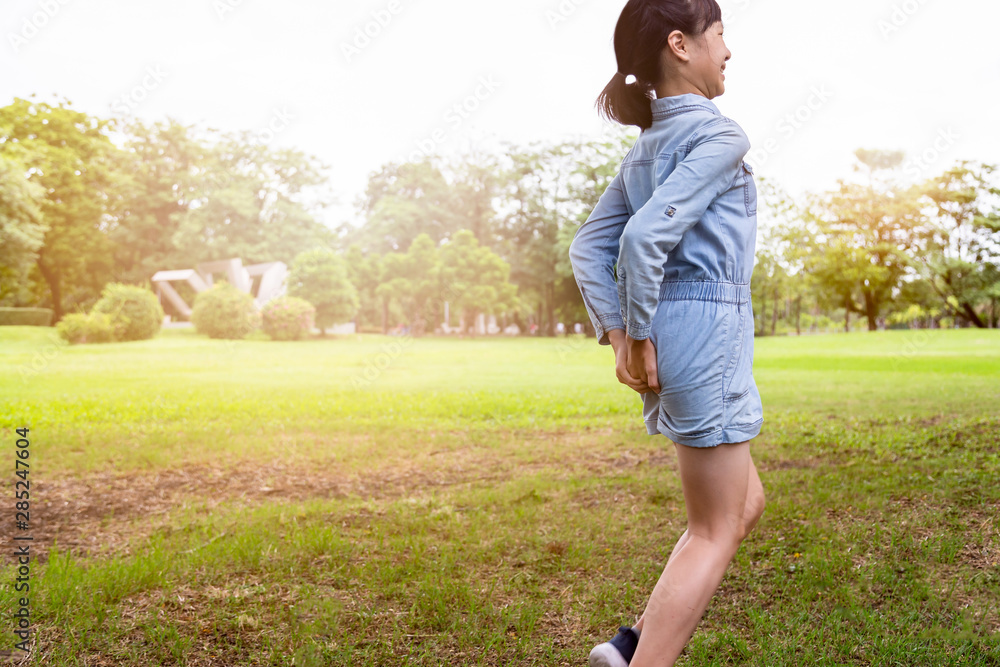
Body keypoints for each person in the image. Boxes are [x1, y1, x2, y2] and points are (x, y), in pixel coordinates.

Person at [567, 2, 766, 665]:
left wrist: (623, 333)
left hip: (678, 335)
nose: (729, 51)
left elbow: (587, 247)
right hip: (704, 329)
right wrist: (635, 332)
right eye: (720, 35)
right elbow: (645, 236)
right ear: (681, 45)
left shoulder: (645, 149)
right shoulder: (720, 136)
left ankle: (630, 645)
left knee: (742, 503)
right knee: (712, 527)